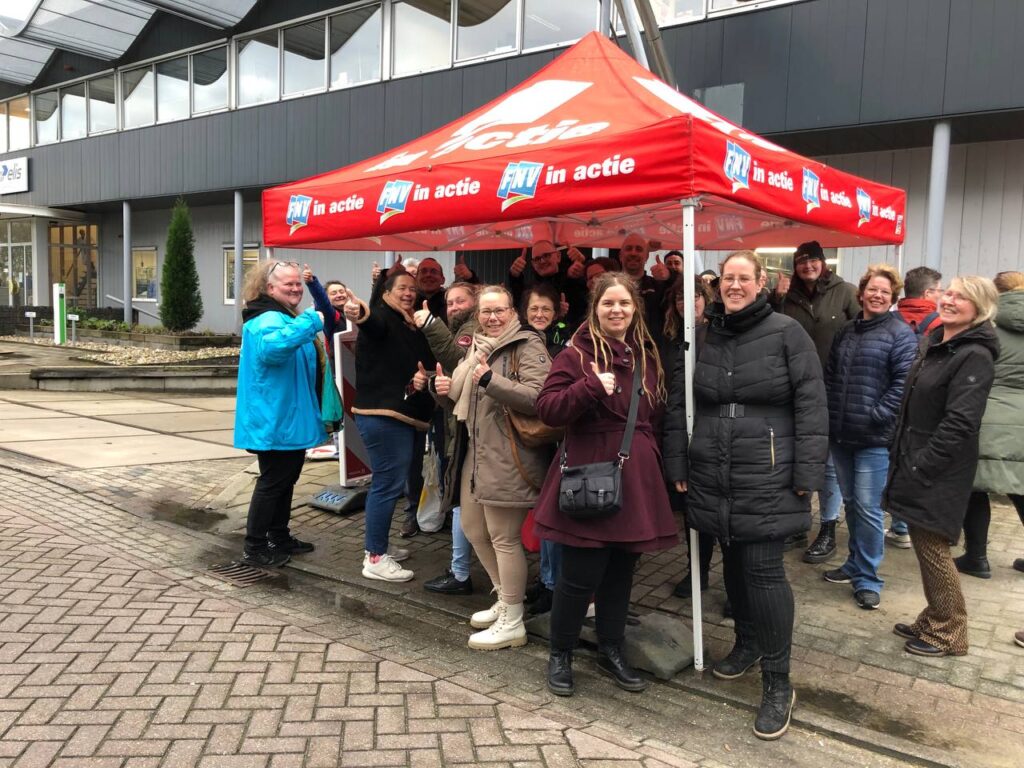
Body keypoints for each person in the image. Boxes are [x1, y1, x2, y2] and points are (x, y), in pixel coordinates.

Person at [665, 250, 827, 740]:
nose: (734, 286)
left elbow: (812, 402)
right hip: (712, 465)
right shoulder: (701, 335)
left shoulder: (787, 332)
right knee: (732, 560)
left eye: (744, 278)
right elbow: (679, 404)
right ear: (717, 287)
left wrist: (808, 471)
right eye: (727, 279)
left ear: (762, 282)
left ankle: (778, 682)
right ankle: (747, 642)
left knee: (763, 569)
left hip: (769, 467)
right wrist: (677, 461)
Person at [534, 272, 678, 698]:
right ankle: (560, 653)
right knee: (580, 576)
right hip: (589, 474)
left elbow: (656, 416)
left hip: (636, 476)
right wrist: (591, 387)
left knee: (620, 574)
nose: (617, 310)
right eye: (608, 303)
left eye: (625, 304)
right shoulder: (575, 355)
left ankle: (610, 648)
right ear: (594, 309)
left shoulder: (648, 355)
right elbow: (548, 410)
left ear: (636, 310)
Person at [882, 276, 999, 657]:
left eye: (962, 298)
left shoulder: (974, 355)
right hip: (916, 459)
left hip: (937, 467)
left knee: (933, 548)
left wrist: (923, 465)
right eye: (948, 293)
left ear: (979, 310)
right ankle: (935, 616)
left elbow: (961, 423)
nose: (950, 300)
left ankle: (950, 631)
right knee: (922, 542)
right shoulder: (939, 343)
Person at [432, 285, 551, 650]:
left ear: (513, 312)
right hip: (476, 452)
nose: (493, 318)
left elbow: (540, 397)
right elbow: (459, 396)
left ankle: (513, 618)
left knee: (503, 538)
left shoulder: (527, 345)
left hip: (508, 454)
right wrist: (441, 387)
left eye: (499, 310)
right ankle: (504, 597)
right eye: (486, 312)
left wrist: (489, 380)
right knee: (472, 529)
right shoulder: (478, 346)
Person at [821, 265, 918, 610]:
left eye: (885, 292)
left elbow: (903, 385)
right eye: (873, 289)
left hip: (874, 438)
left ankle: (868, 578)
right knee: (851, 503)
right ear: (861, 293)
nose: (878, 296)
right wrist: (831, 414)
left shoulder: (900, 334)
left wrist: (877, 415)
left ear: (892, 299)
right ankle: (854, 564)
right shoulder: (847, 331)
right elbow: (831, 376)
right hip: (842, 433)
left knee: (869, 508)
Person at [234, 261, 326, 567]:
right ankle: (256, 546)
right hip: (276, 419)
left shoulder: (281, 316)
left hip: (284, 417)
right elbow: (273, 350)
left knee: (284, 480)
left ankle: (278, 536)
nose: (296, 288)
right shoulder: (268, 318)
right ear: (270, 288)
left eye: (298, 283)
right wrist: (312, 320)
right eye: (289, 284)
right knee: (274, 482)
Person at [346, 270, 436, 583]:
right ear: (387, 291)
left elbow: (407, 369)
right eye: (402, 288)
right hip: (384, 418)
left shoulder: (408, 323)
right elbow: (370, 322)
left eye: (413, 288)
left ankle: (379, 545)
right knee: (387, 484)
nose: (409, 293)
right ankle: (375, 557)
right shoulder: (383, 316)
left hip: (403, 412)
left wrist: (418, 381)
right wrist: (359, 312)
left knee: (392, 483)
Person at [773, 241, 858, 557]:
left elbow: (860, 332)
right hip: (794, 388)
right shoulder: (786, 295)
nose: (807, 266)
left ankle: (828, 529)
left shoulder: (845, 291)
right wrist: (776, 299)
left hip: (834, 388)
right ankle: (797, 526)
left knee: (827, 463)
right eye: (801, 261)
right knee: (796, 457)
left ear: (823, 263)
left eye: (813, 260)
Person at [955, 271, 1024, 580]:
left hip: (988, 415)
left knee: (976, 486)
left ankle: (977, 557)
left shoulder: (988, 328)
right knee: (1020, 488)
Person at [414, 282, 480, 596]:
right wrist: (430, 380)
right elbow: (454, 383)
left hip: (471, 435)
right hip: (461, 431)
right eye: (449, 303)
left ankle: (462, 574)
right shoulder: (461, 328)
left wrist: (429, 325)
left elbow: (455, 359)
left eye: (460, 301)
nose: (453, 307)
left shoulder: (473, 327)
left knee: (461, 503)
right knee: (461, 503)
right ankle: (461, 571)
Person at [659, 275, 716, 599]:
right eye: (680, 298)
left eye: (694, 295)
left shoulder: (718, 334)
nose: (687, 302)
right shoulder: (671, 338)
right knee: (694, 511)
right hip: (683, 429)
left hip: (713, 432)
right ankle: (698, 571)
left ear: (705, 298)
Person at [508, 240, 588, 330]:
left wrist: (584, 265)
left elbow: (592, 295)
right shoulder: (531, 288)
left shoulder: (574, 277)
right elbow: (518, 305)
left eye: (546, 255)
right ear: (533, 264)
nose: (542, 261)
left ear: (558, 256)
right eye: (537, 259)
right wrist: (514, 276)